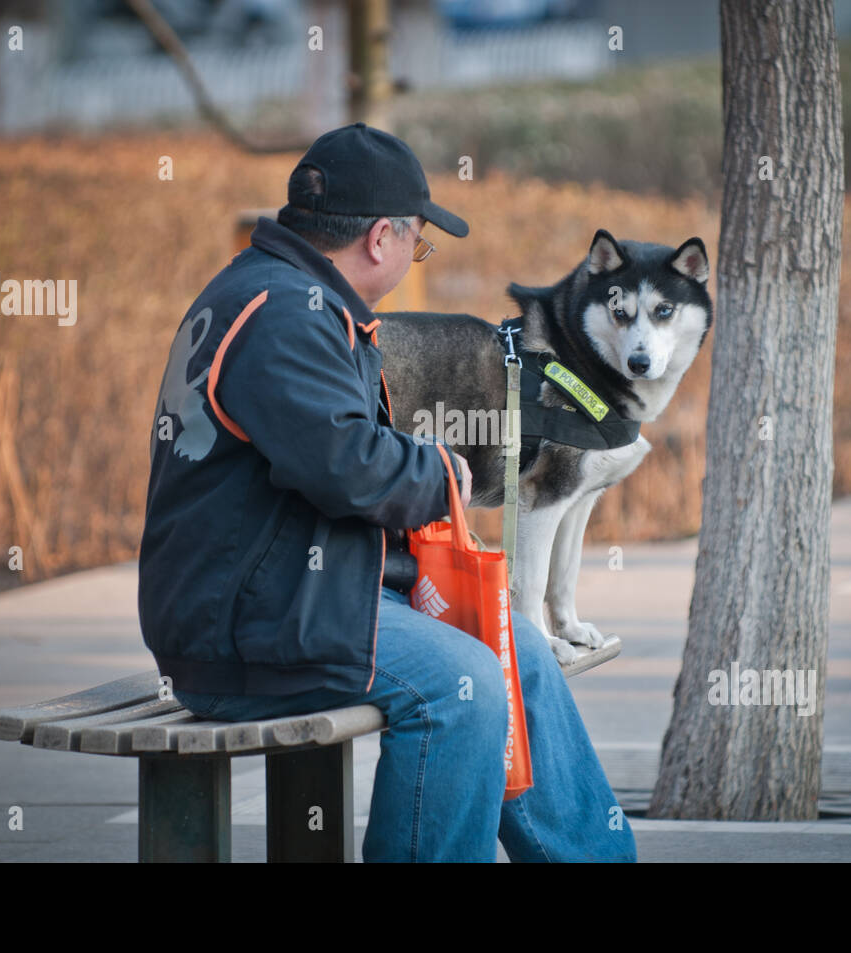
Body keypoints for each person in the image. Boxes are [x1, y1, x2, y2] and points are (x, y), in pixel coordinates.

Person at [138, 122, 635, 863]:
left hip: (303, 595)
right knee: (459, 687)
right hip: (245, 625)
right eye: (418, 241)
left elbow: (328, 459)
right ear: (380, 238)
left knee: (516, 647)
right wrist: (441, 474)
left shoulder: (296, 297)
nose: (413, 255)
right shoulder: (283, 314)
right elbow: (345, 466)